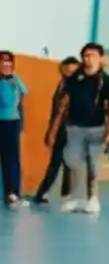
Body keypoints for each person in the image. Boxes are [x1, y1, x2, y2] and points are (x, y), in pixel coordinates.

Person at [51, 43, 109, 215]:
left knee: (93, 165)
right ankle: (71, 198)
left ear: (100, 58)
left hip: (96, 129)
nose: (88, 59)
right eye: (85, 55)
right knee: (71, 162)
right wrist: (53, 130)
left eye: (92, 55)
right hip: (74, 128)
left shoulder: (106, 81)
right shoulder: (74, 79)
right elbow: (63, 105)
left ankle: (93, 199)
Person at [32, 57, 81, 205]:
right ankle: (45, 193)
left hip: (71, 129)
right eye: (66, 70)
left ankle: (63, 195)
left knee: (67, 164)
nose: (68, 73)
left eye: (72, 71)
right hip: (61, 129)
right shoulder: (62, 85)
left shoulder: (74, 88)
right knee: (57, 162)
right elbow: (56, 112)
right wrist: (52, 130)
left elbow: (61, 112)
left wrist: (52, 132)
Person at [0, 50, 26, 208]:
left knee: (11, 159)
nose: (5, 66)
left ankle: (13, 192)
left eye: (8, 63)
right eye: (2, 62)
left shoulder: (14, 80)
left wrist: (12, 77)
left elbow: (24, 91)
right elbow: (5, 101)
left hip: (11, 123)